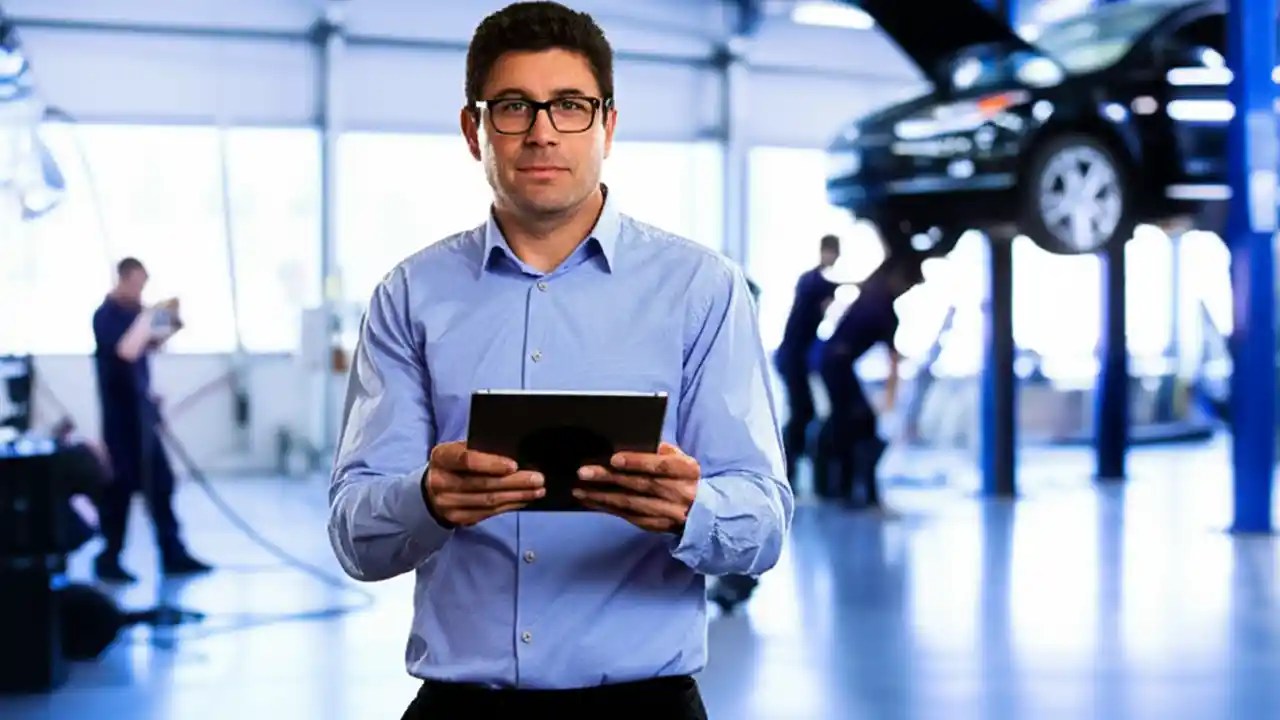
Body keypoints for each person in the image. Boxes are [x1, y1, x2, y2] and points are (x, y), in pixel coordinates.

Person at [327, 3, 792, 718]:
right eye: (513, 107)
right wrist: (425, 498)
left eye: (570, 106)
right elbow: (357, 534)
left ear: (607, 124)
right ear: (473, 129)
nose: (542, 132)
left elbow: (763, 523)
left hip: (646, 705)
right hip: (461, 704)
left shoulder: (701, 289)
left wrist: (689, 509)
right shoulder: (409, 295)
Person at [91, 257, 212, 582]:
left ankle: (172, 553)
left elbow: (149, 348)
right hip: (120, 422)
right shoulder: (106, 316)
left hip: (143, 417)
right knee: (119, 491)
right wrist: (147, 319)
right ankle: (109, 558)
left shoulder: (134, 315)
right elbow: (126, 351)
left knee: (161, 483)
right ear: (124, 278)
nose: (141, 289)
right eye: (138, 283)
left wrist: (166, 323)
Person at [818, 251, 924, 510]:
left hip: (836, 364)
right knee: (859, 425)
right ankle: (855, 492)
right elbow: (893, 362)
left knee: (848, 425)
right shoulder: (880, 305)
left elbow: (893, 357)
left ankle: (846, 490)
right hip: (836, 365)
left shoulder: (875, 298)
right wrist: (889, 401)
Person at [775, 234, 840, 486]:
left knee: (804, 412)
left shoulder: (815, 281)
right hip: (791, 357)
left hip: (796, 359)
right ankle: (786, 471)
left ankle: (790, 471)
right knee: (802, 412)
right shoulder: (813, 282)